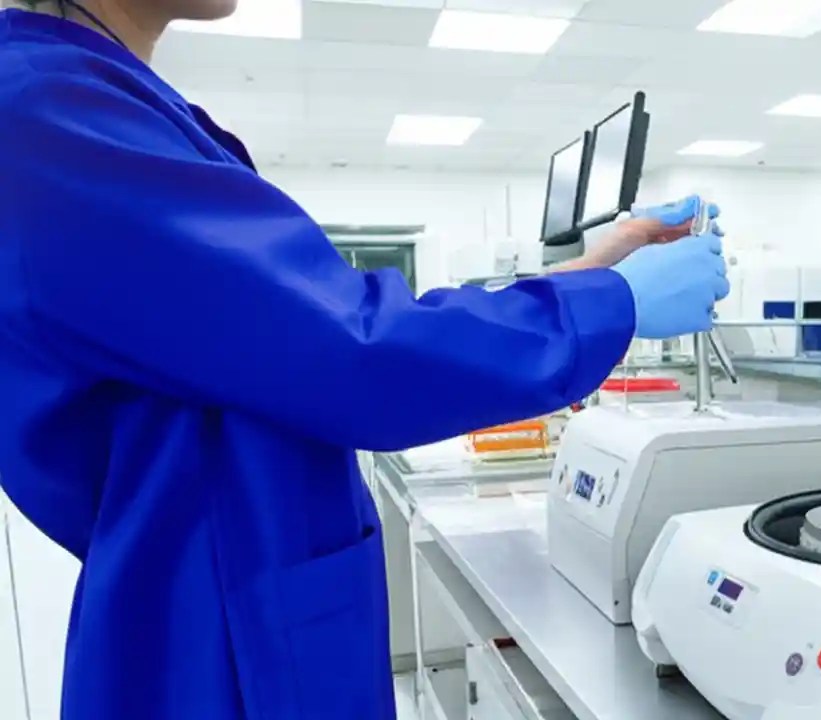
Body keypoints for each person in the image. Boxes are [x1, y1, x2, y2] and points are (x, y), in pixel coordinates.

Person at [0, 1, 730, 718]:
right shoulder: (48, 114)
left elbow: (292, 328)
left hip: (231, 608)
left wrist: (592, 277)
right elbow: (355, 349)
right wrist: (614, 303)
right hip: (214, 653)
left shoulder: (99, 101)